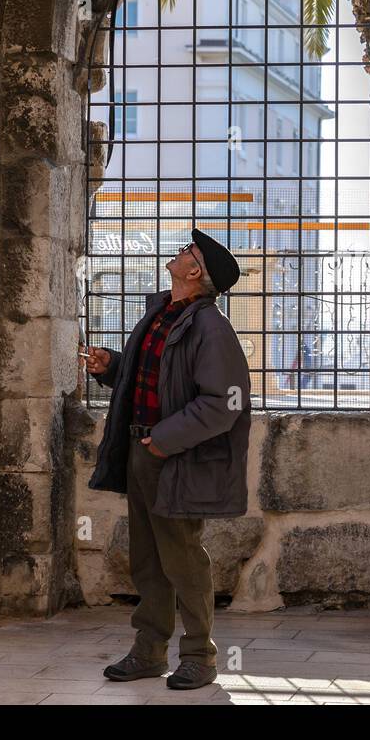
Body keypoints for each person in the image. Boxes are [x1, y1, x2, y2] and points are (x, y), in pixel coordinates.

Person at [80, 228, 250, 691]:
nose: (177, 253)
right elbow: (154, 380)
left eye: (186, 252)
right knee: (148, 559)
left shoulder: (211, 328)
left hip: (175, 457)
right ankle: (150, 651)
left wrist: (164, 440)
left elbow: (225, 401)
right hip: (145, 452)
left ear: (196, 271)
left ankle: (199, 656)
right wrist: (112, 366)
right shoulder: (161, 314)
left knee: (183, 558)